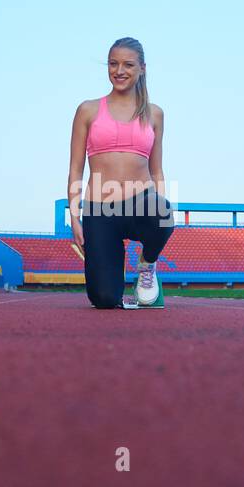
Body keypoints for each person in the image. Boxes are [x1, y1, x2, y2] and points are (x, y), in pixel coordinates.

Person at [66, 37, 173, 309]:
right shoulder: (87, 110)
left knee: (163, 212)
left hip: (141, 202)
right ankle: (113, 281)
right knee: (104, 300)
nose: (119, 70)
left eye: (128, 64)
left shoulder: (155, 114)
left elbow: (156, 169)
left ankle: (147, 267)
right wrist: (75, 218)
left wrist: (161, 211)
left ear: (142, 69)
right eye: (113, 64)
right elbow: (75, 168)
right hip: (100, 209)